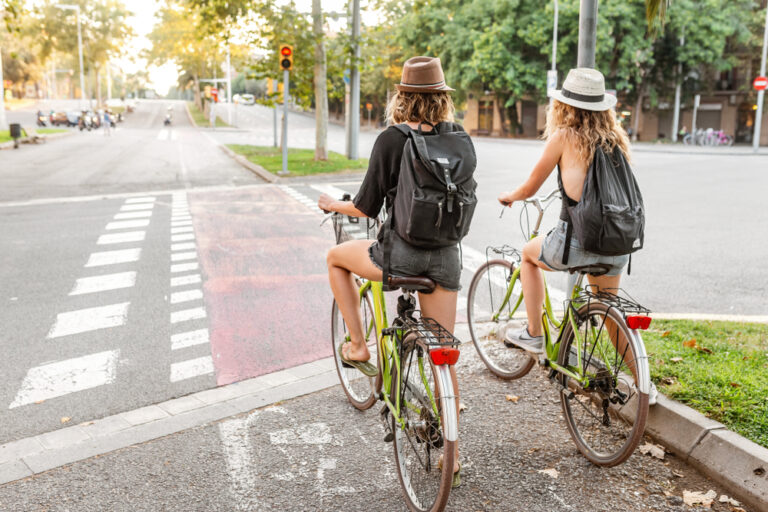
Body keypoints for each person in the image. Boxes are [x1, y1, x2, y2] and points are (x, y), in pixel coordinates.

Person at [317, 56, 464, 479]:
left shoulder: (392, 139)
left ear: (402, 98)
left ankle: (359, 346)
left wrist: (332, 204)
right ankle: (452, 454)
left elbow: (366, 206)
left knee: (336, 259)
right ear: (441, 100)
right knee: (444, 354)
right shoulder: (458, 139)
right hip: (446, 258)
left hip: (397, 257)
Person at [497, 68, 632, 353]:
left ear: (565, 106)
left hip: (578, 243)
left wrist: (510, 196)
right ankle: (644, 385)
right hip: (617, 241)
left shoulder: (564, 136)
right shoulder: (617, 139)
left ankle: (534, 334)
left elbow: (530, 188)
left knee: (528, 256)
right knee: (609, 312)